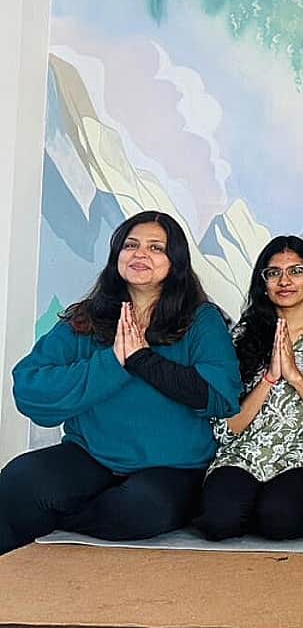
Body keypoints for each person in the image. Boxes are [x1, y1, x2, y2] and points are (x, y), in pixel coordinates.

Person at [0, 211, 240, 554]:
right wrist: (113, 363)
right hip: (91, 456)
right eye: (131, 245)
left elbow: (220, 396)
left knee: (140, 510)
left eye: (156, 247)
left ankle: (56, 518)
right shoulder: (86, 318)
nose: (141, 254)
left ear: (176, 262)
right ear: (117, 257)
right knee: (19, 480)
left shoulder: (201, 321)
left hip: (172, 467)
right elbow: (30, 389)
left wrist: (142, 359)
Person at [193, 237, 303, 541]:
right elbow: (225, 427)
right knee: (218, 523)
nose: (284, 281)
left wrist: (295, 377)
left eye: (295, 271)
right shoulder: (244, 334)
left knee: (279, 522)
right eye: (273, 273)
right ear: (262, 282)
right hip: (245, 454)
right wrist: (269, 378)